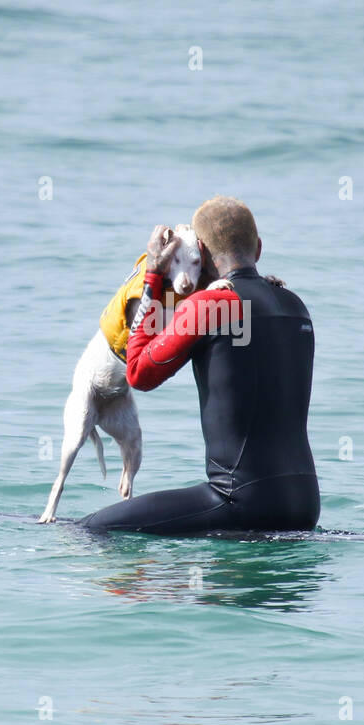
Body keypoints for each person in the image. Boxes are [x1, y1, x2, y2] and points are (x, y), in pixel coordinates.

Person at [78, 196, 320, 535]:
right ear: (259, 249)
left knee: (91, 528)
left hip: (239, 501)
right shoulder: (294, 305)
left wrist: (152, 274)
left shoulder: (211, 306)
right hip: (304, 505)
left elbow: (138, 373)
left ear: (200, 254)